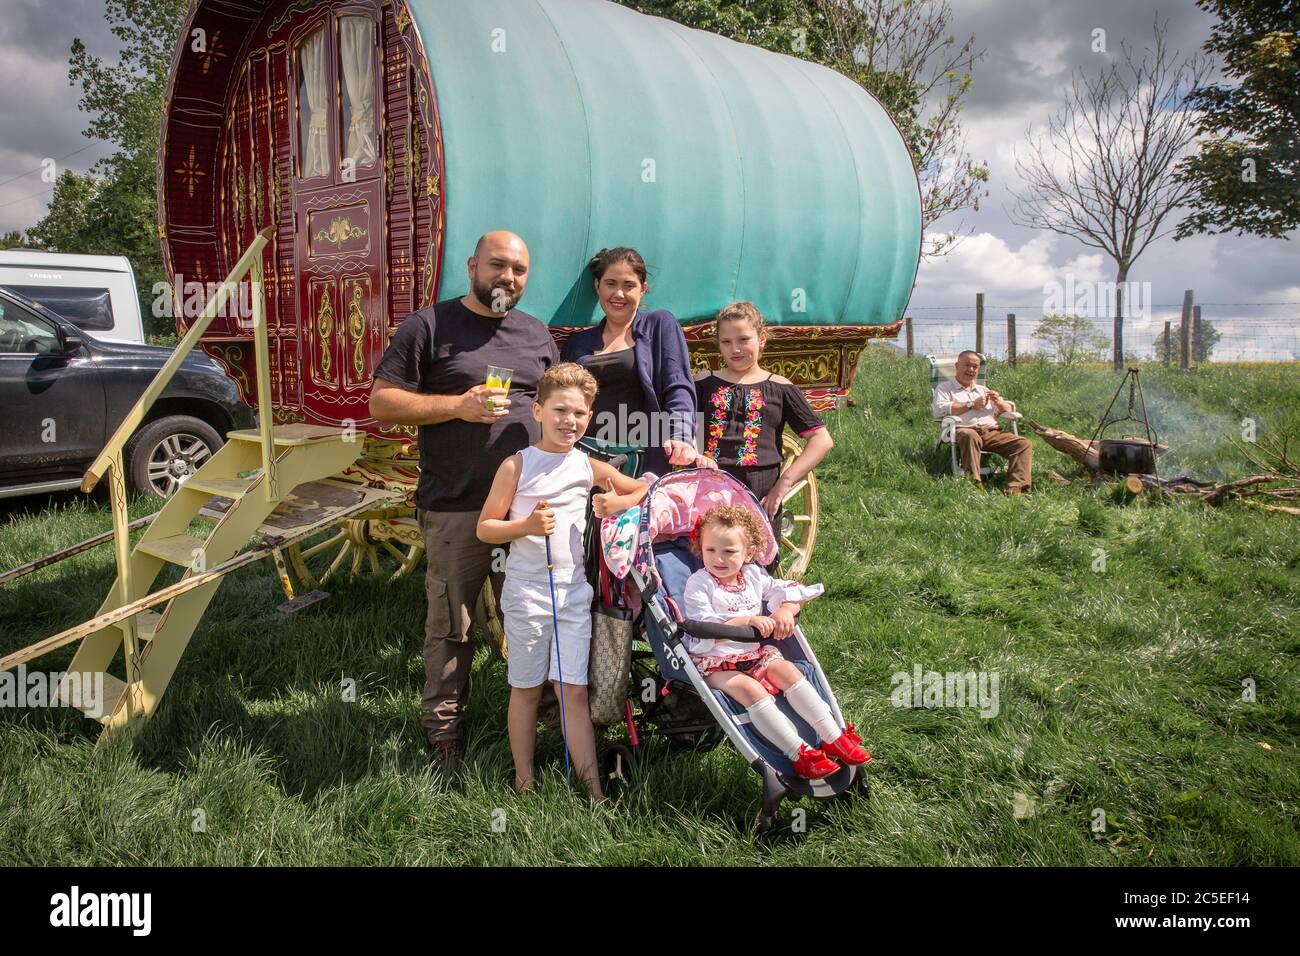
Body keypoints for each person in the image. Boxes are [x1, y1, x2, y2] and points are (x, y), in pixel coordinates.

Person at [369, 230, 559, 772]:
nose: (509, 278)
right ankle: (445, 732)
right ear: (472, 265)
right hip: (457, 505)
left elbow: (557, 403)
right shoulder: (429, 325)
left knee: (532, 614)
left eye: (519, 270)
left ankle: (544, 712)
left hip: (524, 509)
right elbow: (382, 401)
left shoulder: (535, 333)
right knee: (453, 623)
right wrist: (458, 406)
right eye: (498, 266)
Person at [477, 363, 649, 798]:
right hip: (527, 592)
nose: (568, 421)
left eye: (578, 413)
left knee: (573, 689)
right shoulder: (517, 466)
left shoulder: (587, 467)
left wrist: (615, 501)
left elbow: (645, 487)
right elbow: (485, 529)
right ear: (537, 411)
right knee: (527, 689)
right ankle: (524, 780)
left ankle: (593, 789)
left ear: (589, 418)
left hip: (573, 592)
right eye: (559, 410)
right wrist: (527, 527)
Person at [681, 505, 871, 779]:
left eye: (729, 552)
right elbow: (703, 624)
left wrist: (784, 610)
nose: (718, 559)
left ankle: (833, 737)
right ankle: (800, 754)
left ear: (748, 553)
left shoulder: (753, 577)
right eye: (710, 550)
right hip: (715, 661)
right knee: (750, 688)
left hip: (754, 654)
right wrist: (748, 621)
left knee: (787, 670)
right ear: (701, 548)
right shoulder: (700, 583)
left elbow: (790, 591)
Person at [561, 247, 705, 477]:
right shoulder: (578, 342)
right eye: (610, 283)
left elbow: (678, 386)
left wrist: (680, 435)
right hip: (583, 459)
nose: (619, 293)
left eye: (629, 285)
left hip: (639, 461)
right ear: (597, 286)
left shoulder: (659, 325)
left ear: (643, 289)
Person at [695, 302, 833, 517]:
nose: (735, 349)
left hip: (761, 490)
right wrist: (695, 454)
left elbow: (821, 439)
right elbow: (678, 425)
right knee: (709, 549)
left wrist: (784, 482)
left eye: (743, 340)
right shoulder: (703, 383)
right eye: (726, 342)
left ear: (762, 339)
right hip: (709, 485)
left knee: (759, 549)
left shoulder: (780, 388)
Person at [931, 350, 1033, 495]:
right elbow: (939, 411)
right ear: (957, 365)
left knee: (1023, 444)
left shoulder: (983, 390)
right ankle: (974, 484)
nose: (971, 370)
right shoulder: (945, 388)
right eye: (967, 365)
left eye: (975, 367)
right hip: (963, 429)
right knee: (969, 435)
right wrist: (971, 404)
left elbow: (1005, 411)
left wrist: (998, 402)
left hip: (990, 432)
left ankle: (1016, 488)